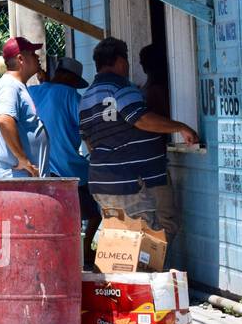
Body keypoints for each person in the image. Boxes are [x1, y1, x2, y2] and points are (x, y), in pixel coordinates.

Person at [78, 36, 198, 242]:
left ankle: (125, 272)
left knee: (122, 239)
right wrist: (181, 126)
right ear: (120, 61)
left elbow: (89, 141)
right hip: (135, 180)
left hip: (102, 181)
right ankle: (145, 273)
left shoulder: (86, 98)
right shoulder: (120, 88)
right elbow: (140, 119)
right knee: (152, 235)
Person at [31, 56, 98, 267]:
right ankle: (85, 251)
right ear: (71, 79)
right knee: (95, 212)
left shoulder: (33, 92)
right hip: (68, 169)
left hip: (36, 169)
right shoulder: (72, 97)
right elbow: (87, 130)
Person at [0, 36, 47, 178]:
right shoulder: (9, 86)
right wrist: (23, 159)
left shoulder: (17, 86)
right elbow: (3, 119)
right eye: (32, 54)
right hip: (18, 179)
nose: (37, 57)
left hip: (23, 179)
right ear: (20, 59)